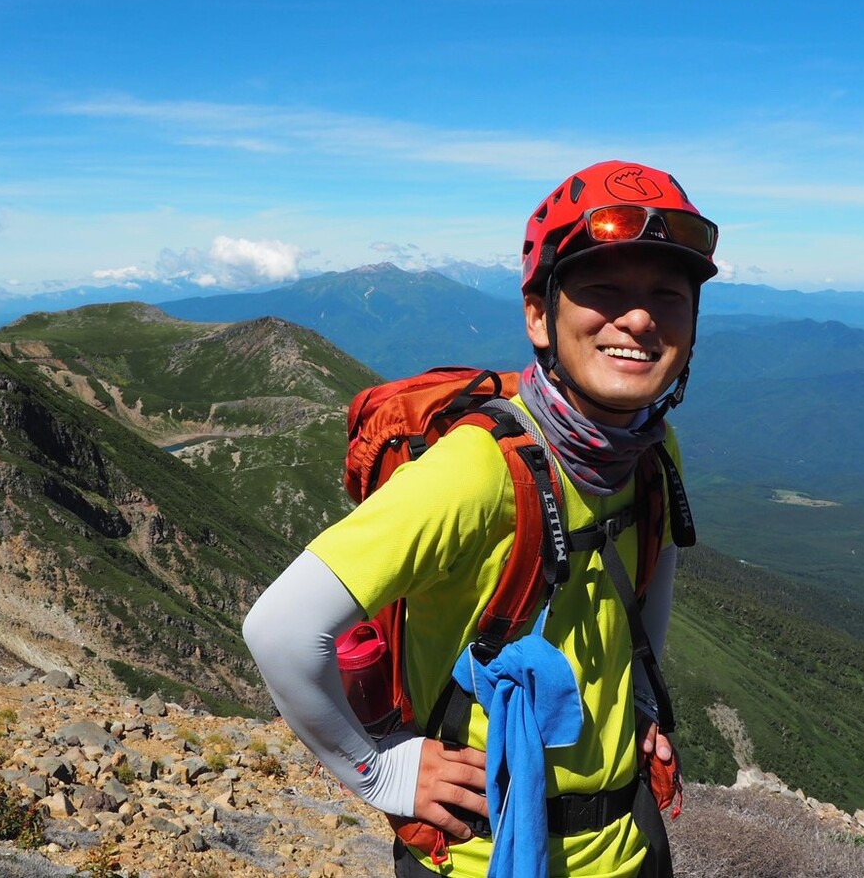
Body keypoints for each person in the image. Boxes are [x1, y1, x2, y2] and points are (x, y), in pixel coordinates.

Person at [243, 160, 719, 878]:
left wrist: (642, 698)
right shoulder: (477, 471)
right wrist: (383, 776)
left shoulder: (647, 447)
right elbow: (279, 628)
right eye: (603, 290)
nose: (641, 317)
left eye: (667, 294)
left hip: (627, 841)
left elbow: (650, 571)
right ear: (539, 314)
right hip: (481, 856)